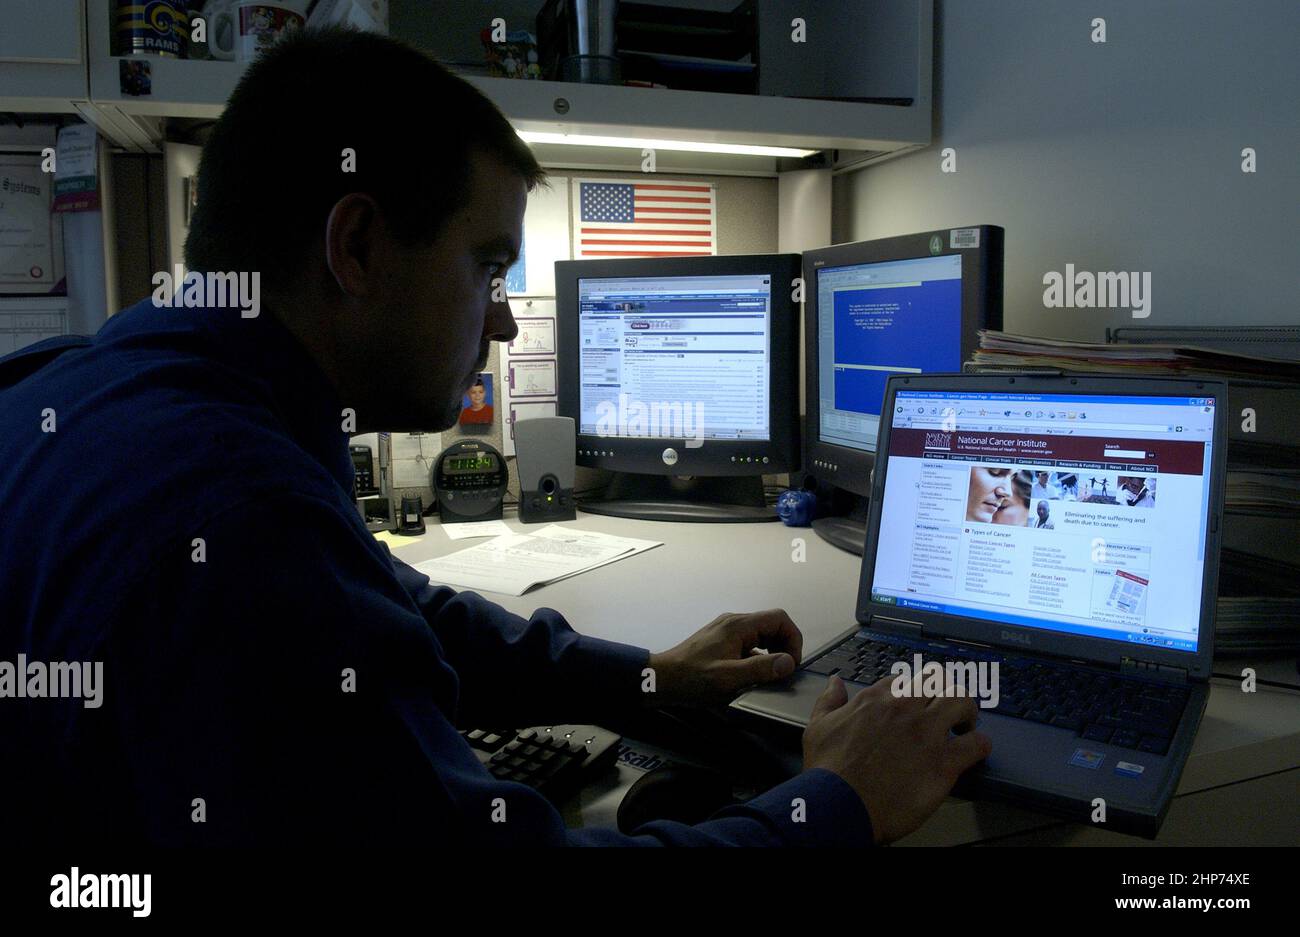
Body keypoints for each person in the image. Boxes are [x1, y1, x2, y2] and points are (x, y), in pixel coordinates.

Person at [0, 28, 988, 847]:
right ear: (356, 247)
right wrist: (836, 801)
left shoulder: (96, 387)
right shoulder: (237, 517)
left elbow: (396, 610)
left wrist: (649, 679)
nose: (506, 322)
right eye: (486, 267)